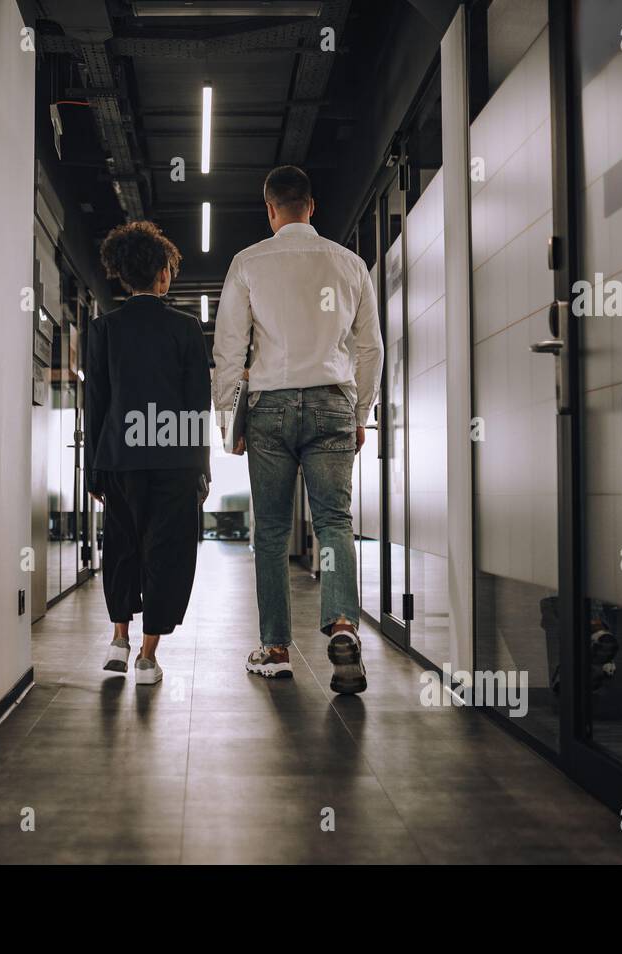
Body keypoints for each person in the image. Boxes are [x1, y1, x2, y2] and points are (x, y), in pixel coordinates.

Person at [212, 165, 382, 694]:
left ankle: (276, 648)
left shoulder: (248, 264)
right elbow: (370, 348)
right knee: (334, 522)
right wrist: (359, 414)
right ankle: (343, 625)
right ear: (312, 206)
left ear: (270, 211)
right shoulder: (350, 264)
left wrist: (227, 419)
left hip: (270, 408)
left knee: (270, 531)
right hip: (333, 401)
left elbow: (228, 349)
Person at [86, 221, 212, 686]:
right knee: (168, 554)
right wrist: (202, 467)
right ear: (162, 275)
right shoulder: (185, 329)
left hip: (119, 458)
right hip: (174, 460)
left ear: (122, 275)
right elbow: (197, 401)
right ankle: (146, 657)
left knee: (121, 547)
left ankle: (118, 639)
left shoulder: (104, 330)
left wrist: (93, 473)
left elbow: (95, 404)